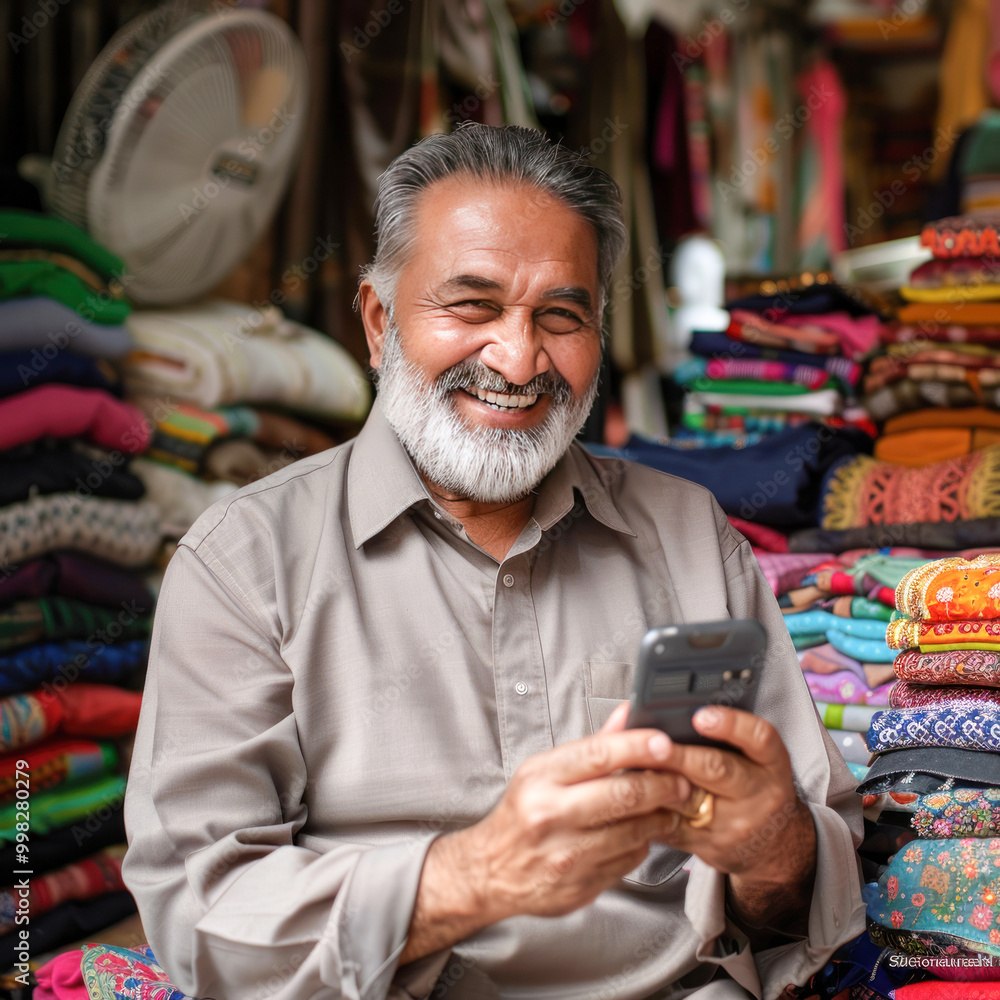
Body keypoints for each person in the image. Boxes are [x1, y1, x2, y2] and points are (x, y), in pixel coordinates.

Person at [123, 123, 865, 1000]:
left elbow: (809, 885)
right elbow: (201, 917)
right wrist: (475, 876)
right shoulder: (242, 564)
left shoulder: (688, 535)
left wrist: (768, 846)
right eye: (472, 306)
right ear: (377, 320)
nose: (517, 360)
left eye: (561, 315)